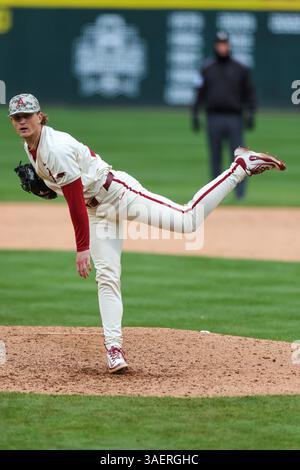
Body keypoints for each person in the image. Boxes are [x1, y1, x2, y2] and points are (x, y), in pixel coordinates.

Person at [9, 93, 285, 374]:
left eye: (27, 115)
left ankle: (240, 167)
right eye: (17, 117)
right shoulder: (33, 146)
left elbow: (75, 202)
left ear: (40, 116)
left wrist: (82, 248)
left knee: (187, 220)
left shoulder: (54, 148)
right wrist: (47, 186)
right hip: (98, 211)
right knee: (107, 276)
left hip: (118, 194)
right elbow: (71, 190)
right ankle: (114, 349)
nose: (22, 121)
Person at [192, 31, 257, 199]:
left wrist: (250, 113)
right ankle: (215, 196)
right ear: (215, 46)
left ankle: (240, 194)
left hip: (234, 117)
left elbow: (249, 92)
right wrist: (195, 114)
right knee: (215, 157)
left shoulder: (240, 68)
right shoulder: (207, 68)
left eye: (225, 44)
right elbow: (199, 92)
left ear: (229, 46)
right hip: (213, 117)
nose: (222, 47)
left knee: (239, 158)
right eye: (219, 44)